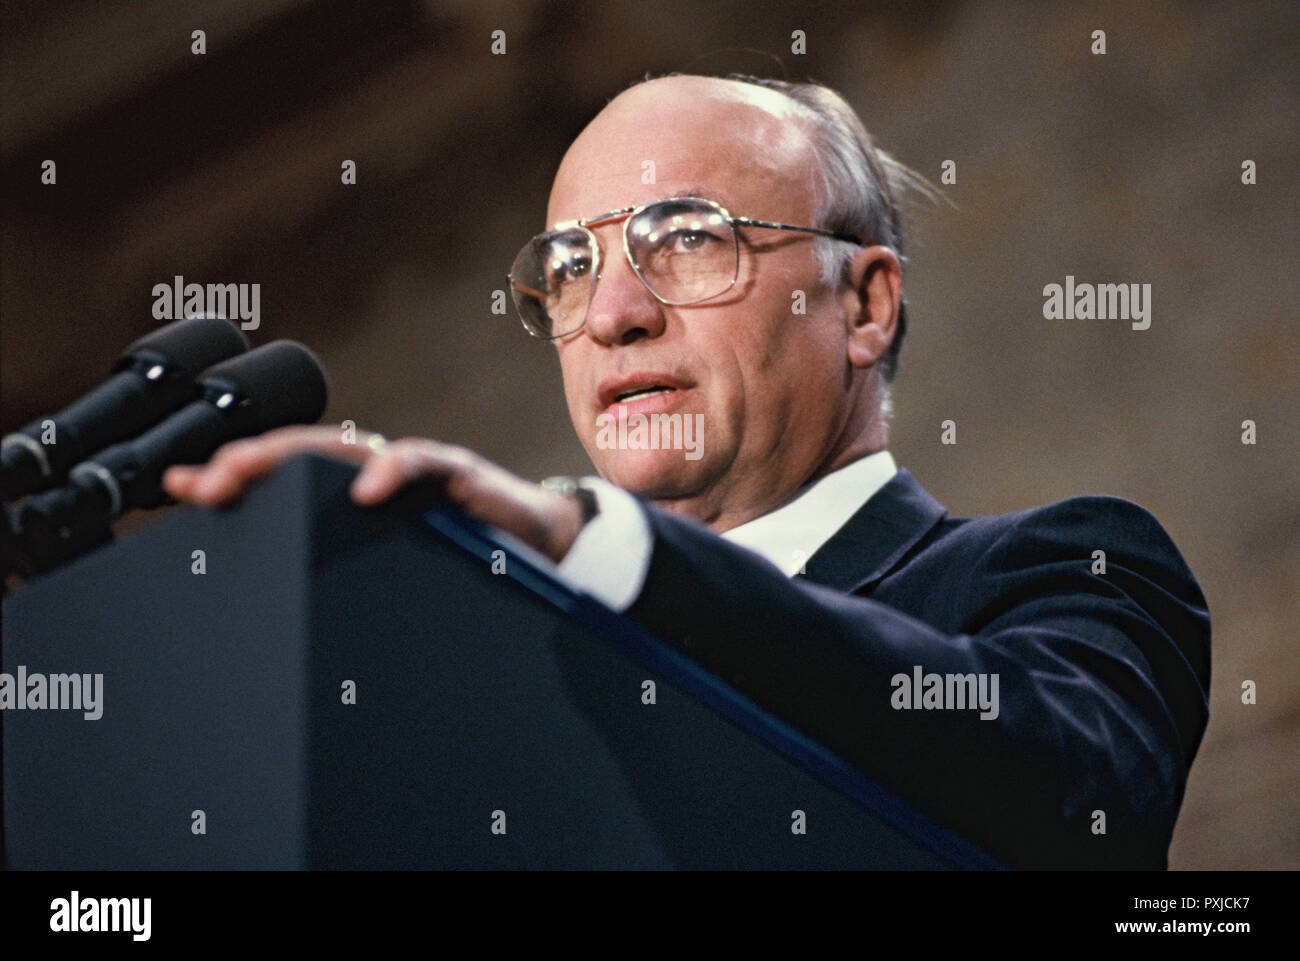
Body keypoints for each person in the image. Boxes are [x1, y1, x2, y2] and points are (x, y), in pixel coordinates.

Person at [162, 74, 1211, 869]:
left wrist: (597, 545)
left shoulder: (1065, 569)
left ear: (862, 305)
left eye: (688, 241)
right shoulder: (506, 682)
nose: (614, 314)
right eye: (571, 268)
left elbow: (1081, 811)